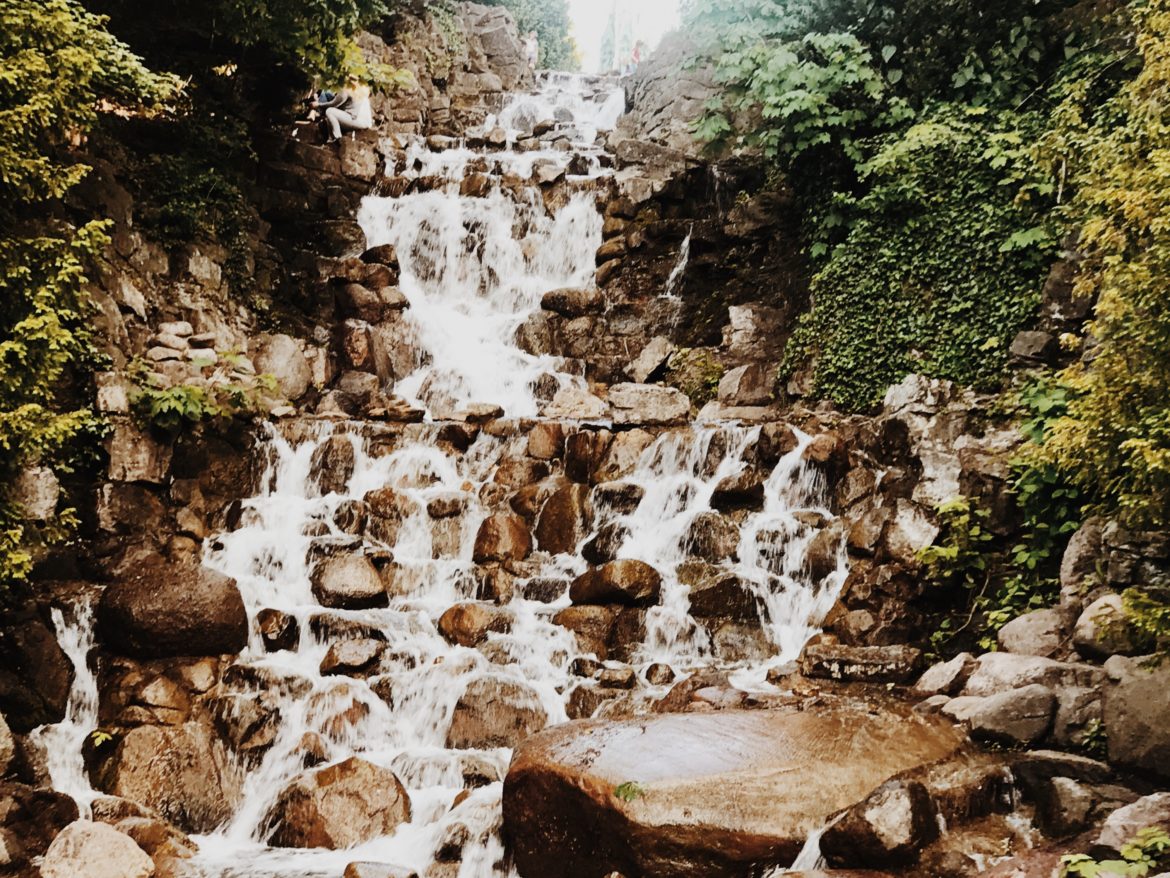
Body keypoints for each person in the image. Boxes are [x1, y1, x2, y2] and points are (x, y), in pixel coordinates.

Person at [312, 77, 373, 143]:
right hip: (365, 121)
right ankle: (330, 139)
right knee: (331, 114)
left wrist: (318, 104)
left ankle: (338, 138)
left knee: (330, 111)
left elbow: (334, 104)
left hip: (357, 120)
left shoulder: (346, 89)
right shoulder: (361, 89)